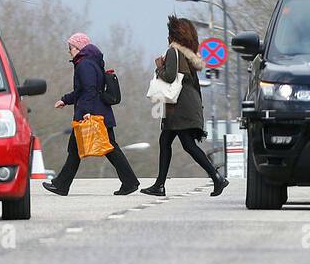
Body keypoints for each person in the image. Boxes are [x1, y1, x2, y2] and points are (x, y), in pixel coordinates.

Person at [139, 16, 229, 198]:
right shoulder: (188, 54)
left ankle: (217, 178)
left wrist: (159, 67)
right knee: (168, 142)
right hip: (188, 105)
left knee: (184, 144)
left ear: (173, 35)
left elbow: (170, 77)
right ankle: (160, 184)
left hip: (180, 108)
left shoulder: (173, 51)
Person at [43, 32, 139, 196]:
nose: (69, 51)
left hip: (93, 115)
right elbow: (81, 91)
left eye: (70, 47)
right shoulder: (89, 62)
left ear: (78, 48)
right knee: (77, 149)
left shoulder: (85, 64)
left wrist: (86, 111)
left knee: (107, 148)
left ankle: (129, 182)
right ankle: (61, 184)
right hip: (97, 113)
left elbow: (89, 90)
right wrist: (65, 100)